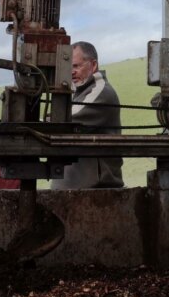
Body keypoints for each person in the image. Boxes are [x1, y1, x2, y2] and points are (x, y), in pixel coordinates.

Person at [50, 41, 124, 189]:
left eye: (76, 66)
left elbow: (65, 122)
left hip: (95, 188)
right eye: (68, 67)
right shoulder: (74, 91)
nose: (71, 72)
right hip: (69, 186)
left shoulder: (101, 91)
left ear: (93, 65)